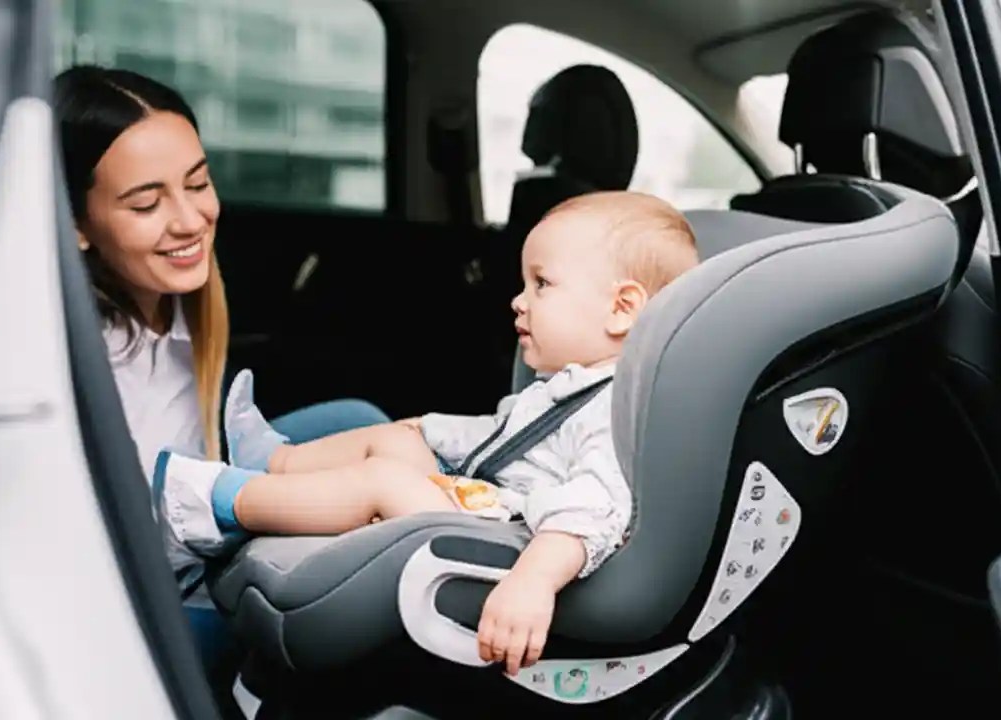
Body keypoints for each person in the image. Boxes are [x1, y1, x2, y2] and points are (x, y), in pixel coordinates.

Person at [156, 190, 700, 676]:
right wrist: (427, 430)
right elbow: (498, 435)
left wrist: (532, 582)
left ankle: (219, 505)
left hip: (515, 539)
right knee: (395, 439)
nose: (519, 300)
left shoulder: (612, 410)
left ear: (622, 309)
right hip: (493, 502)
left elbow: (590, 510)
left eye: (541, 284)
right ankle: (273, 462)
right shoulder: (571, 383)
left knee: (384, 481)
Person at [52, 64, 391, 669]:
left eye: (198, 183)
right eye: (147, 203)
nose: (189, 220)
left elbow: (196, 452)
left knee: (361, 422)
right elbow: (146, 534)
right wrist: (329, 495)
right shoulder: (85, 355)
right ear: (77, 224)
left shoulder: (176, 304)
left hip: (195, 514)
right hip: (140, 608)